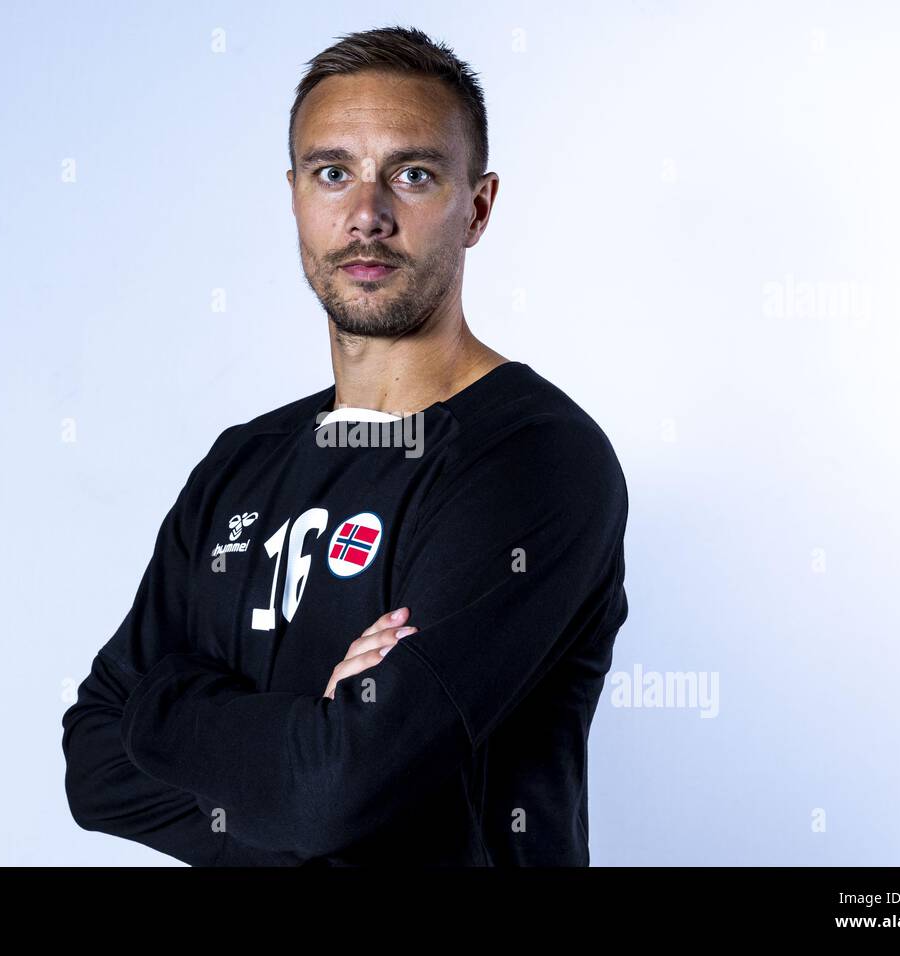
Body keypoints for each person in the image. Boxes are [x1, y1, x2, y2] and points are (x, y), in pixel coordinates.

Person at [60, 24, 629, 866]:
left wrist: (172, 705)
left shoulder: (533, 460)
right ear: (295, 195)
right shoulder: (240, 464)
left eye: (413, 174)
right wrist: (312, 747)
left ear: (478, 206)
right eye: (334, 173)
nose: (368, 215)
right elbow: (95, 767)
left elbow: (337, 791)